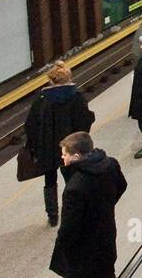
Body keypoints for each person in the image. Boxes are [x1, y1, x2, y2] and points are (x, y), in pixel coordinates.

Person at [49, 131, 127, 278]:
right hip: (106, 241)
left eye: (65, 155)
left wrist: (62, 251)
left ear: (77, 156)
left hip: (85, 254)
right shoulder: (109, 165)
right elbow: (121, 186)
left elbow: (69, 229)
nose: (62, 159)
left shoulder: (75, 187)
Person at [24, 61, 95, 225]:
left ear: (51, 80)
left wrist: (34, 147)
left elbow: (31, 125)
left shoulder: (41, 100)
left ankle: (53, 215)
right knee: (72, 179)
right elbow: (84, 120)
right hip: (70, 147)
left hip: (47, 147)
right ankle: (73, 211)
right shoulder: (76, 97)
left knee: (49, 180)